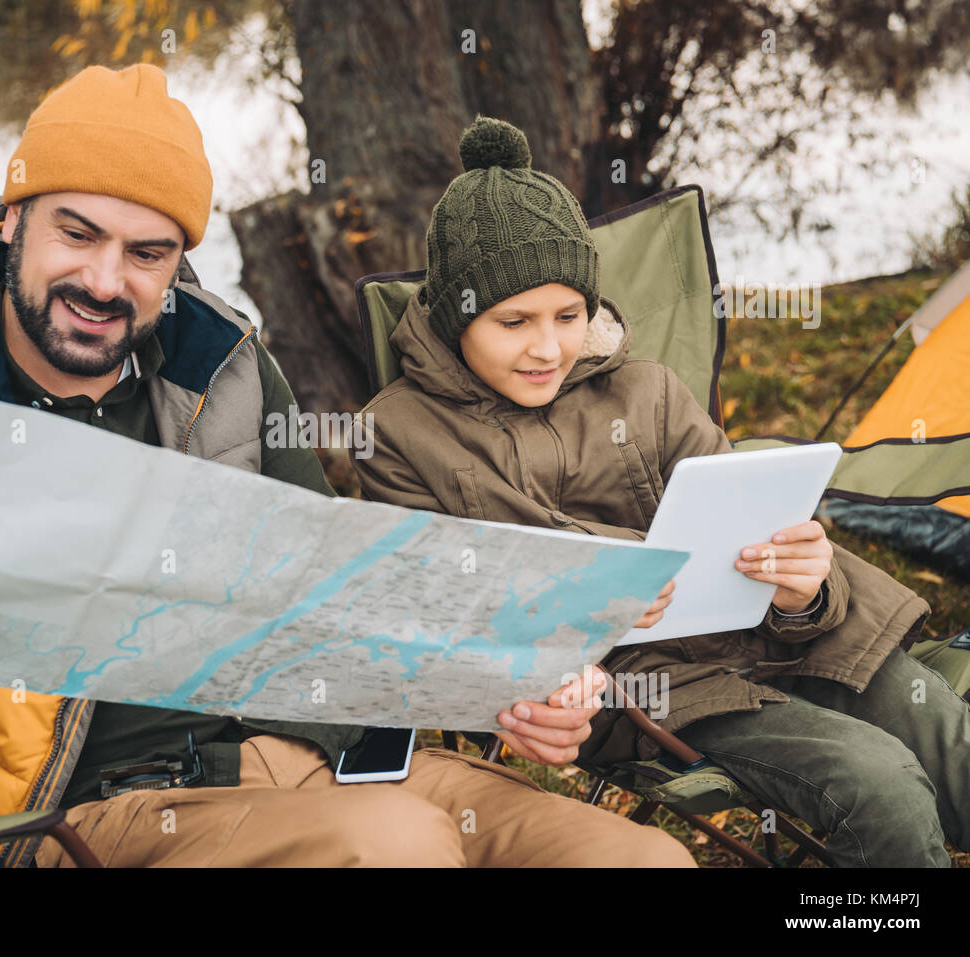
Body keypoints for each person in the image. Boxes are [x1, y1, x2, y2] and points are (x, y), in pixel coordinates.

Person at [0, 68, 694, 868]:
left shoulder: (228, 368)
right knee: (395, 850)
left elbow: (341, 601)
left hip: (312, 762)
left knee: (641, 861)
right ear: (14, 217)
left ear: (179, 259)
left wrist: (504, 691)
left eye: (147, 253)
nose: (106, 283)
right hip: (70, 816)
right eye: (76, 232)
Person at [351, 115, 970, 867]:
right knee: (885, 787)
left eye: (568, 316)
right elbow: (427, 602)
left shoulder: (647, 390)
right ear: (456, 320)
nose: (547, 346)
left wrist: (803, 588)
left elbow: (758, 522)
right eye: (513, 321)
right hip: (648, 692)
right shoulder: (397, 432)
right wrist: (581, 595)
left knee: (951, 742)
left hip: (785, 639)